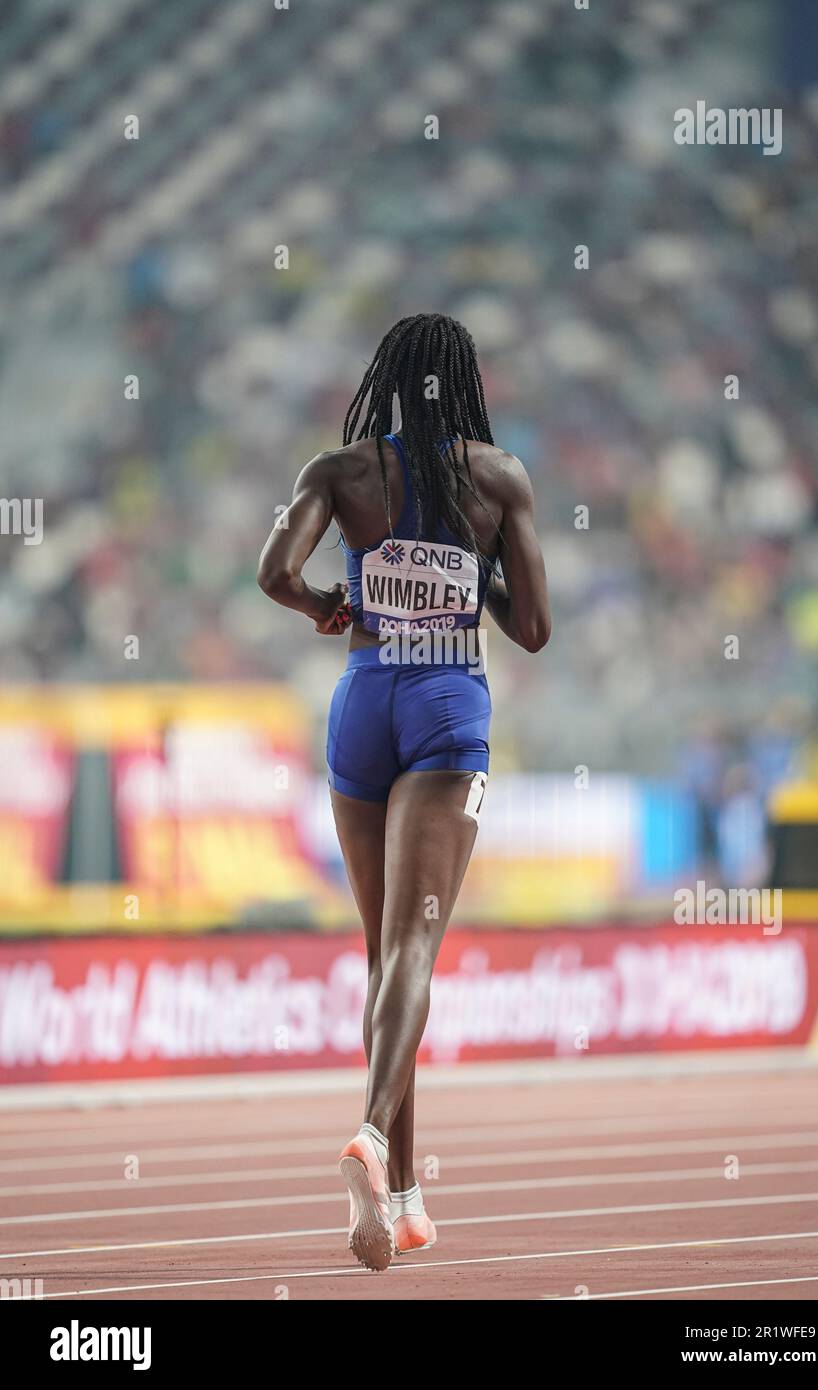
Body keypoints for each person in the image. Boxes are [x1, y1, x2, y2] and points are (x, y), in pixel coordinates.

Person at [258, 313, 550, 1270]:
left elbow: (274, 574)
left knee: (386, 957)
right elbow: (536, 630)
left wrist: (324, 606)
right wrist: (473, 575)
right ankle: (374, 1138)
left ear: (384, 382)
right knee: (416, 949)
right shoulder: (498, 478)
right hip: (442, 704)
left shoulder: (337, 472)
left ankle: (410, 1196)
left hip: (364, 697)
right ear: (464, 384)